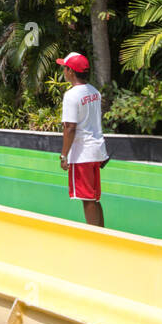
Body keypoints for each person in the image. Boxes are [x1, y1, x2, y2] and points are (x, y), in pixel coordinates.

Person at [57, 51, 108, 227]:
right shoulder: (94, 92)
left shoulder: (72, 95)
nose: (63, 71)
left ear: (71, 72)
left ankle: (95, 238)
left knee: (87, 198)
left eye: (65, 67)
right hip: (96, 151)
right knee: (93, 197)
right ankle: (103, 233)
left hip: (82, 154)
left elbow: (70, 127)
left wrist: (64, 155)